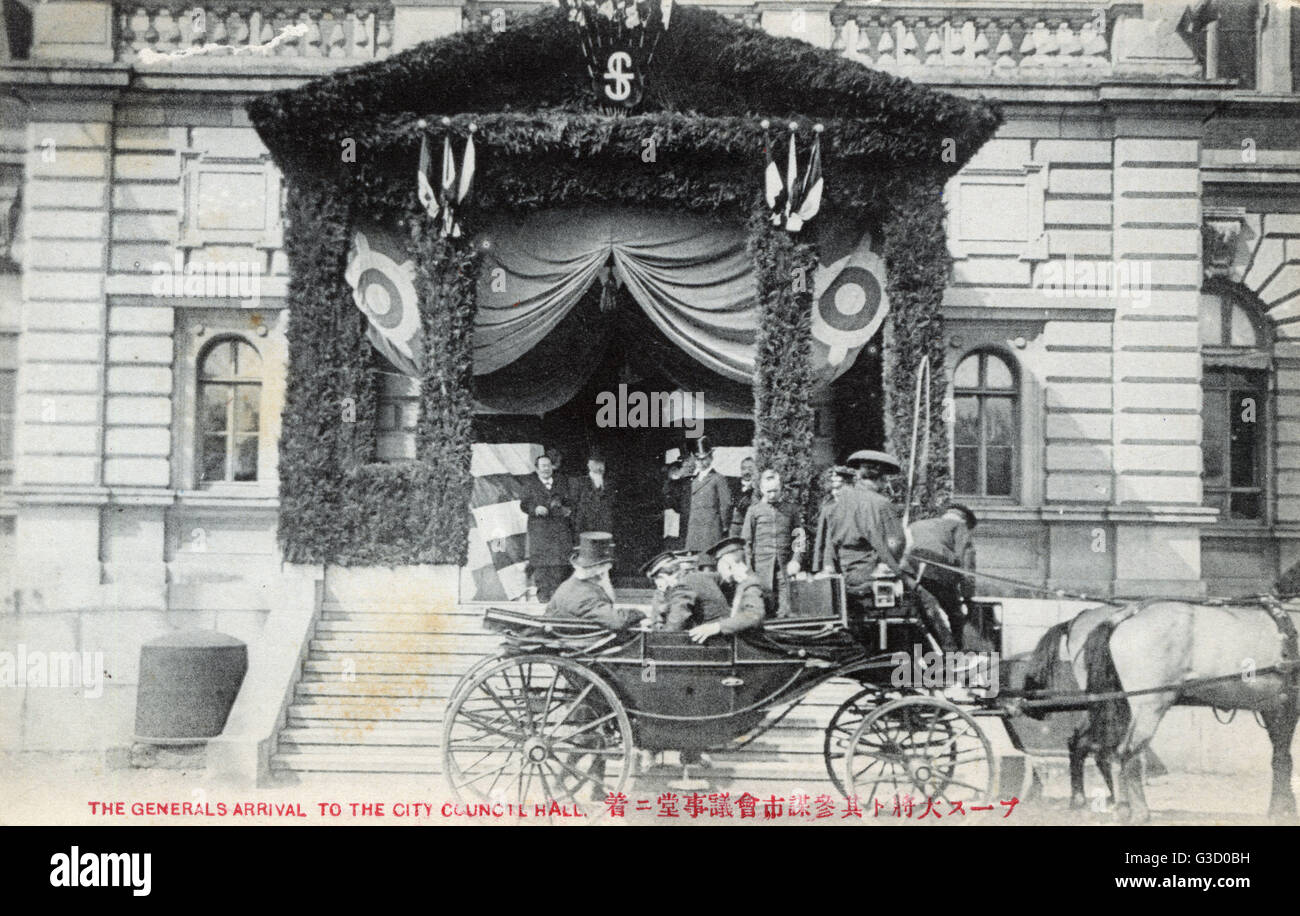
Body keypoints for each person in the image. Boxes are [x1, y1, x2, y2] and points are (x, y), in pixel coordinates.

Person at [908, 504, 978, 647]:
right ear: (965, 520)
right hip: (938, 568)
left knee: (922, 610)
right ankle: (956, 652)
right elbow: (966, 567)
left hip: (910, 568)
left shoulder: (916, 524)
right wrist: (968, 597)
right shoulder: (960, 527)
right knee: (955, 614)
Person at [545, 532, 643, 630]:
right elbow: (618, 621)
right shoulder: (587, 596)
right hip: (584, 642)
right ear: (601, 571)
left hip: (565, 639)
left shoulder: (565, 586)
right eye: (608, 569)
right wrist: (640, 613)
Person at [740, 469, 803, 616]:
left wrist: (796, 560)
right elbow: (746, 542)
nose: (772, 495)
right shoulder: (754, 511)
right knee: (764, 609)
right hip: (761, 568)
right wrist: (748, 569)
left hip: (785, 567)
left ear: (781, 488)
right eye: (768, 491)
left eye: (775, 491)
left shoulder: (791, 509)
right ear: (761, 489)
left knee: (786, 609)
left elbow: (800, 537)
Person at [688, 536, 768, 644]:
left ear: (731, 565)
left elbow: (753, 616)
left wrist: (716, 627)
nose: (721, 574)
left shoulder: (751, 585)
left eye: (721, 567)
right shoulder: (739, 584)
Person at [519, 452, 575, 601]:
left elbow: (570, 502)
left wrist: (565, 509)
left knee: (558, 566)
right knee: (541, 565)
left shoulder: (562, 482)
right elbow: (524, 504)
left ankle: (557, 599)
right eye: (543, 466)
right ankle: (543, 598)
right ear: (537, 469)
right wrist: (535, 509)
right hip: (540, 531)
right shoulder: (530, 484)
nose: (546, 469)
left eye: (548, 466)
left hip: (558, 530)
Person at [642, 551, 730, 632]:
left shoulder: (682, 586)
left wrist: (658, 635)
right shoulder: (701, 576)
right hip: (723, 631)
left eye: (655, 580)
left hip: (712, 639)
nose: (656, 585)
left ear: (662, 576)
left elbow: (675, 625)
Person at [683, 437, 732, 554]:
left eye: (704, 458)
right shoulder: (693, 481)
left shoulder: (718, 479)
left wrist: (724, 527)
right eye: (698, 459)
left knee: (708, 562)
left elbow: (726, 504)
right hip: (694, 531)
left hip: (710, 530)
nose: (701, 462)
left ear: (711, 458)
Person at [811, 466, 854, 575]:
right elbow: (820, 539)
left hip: (852, 562)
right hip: (831, 565)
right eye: (833, 489)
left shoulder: (858, 509)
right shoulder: (828, 509)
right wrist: (818, 566)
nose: (835, 493)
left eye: (839, 488)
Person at [574, 454, 614, 536]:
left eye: (602, 464)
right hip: (585, 526)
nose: (600, 467)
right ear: (589, 465)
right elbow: (575, 504)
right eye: (596, 464)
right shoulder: (580, 482)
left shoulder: (610, 483)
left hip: (605, 527)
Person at [729, 456, 757, 537]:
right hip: (736, 526)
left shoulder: (759, 487)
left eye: (750, 469)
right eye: (744, 468)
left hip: (753, 526)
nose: (747, 472)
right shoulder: (733, 486)